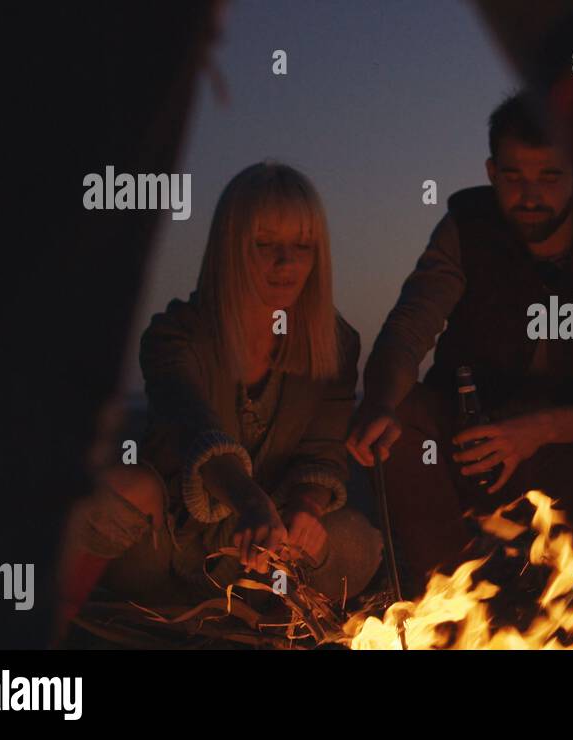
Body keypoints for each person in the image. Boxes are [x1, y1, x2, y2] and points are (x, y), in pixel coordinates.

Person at [347, 94, 573, 595]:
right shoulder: (466, 228)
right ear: (490, 171)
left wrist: (540, 429)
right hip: (470, 441)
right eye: (513, 176)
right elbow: (407, 330)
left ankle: (568, 595)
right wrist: (379, 401)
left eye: (549, 176)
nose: (530, 195)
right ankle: (444, 599)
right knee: (401, 424)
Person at [58, 162, 382, 634]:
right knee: (119, 489)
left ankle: (266, 622)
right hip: (166, 550)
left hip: (268, 556)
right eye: (265, 246)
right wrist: (249, 502)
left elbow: (323, 451)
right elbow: (194, 429)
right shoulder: (175, 336)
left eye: (301, 247)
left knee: (357, 541)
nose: (286, 264)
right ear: (230, 248)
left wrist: (306, 507)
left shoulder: (334, 344)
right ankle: (52, 623)